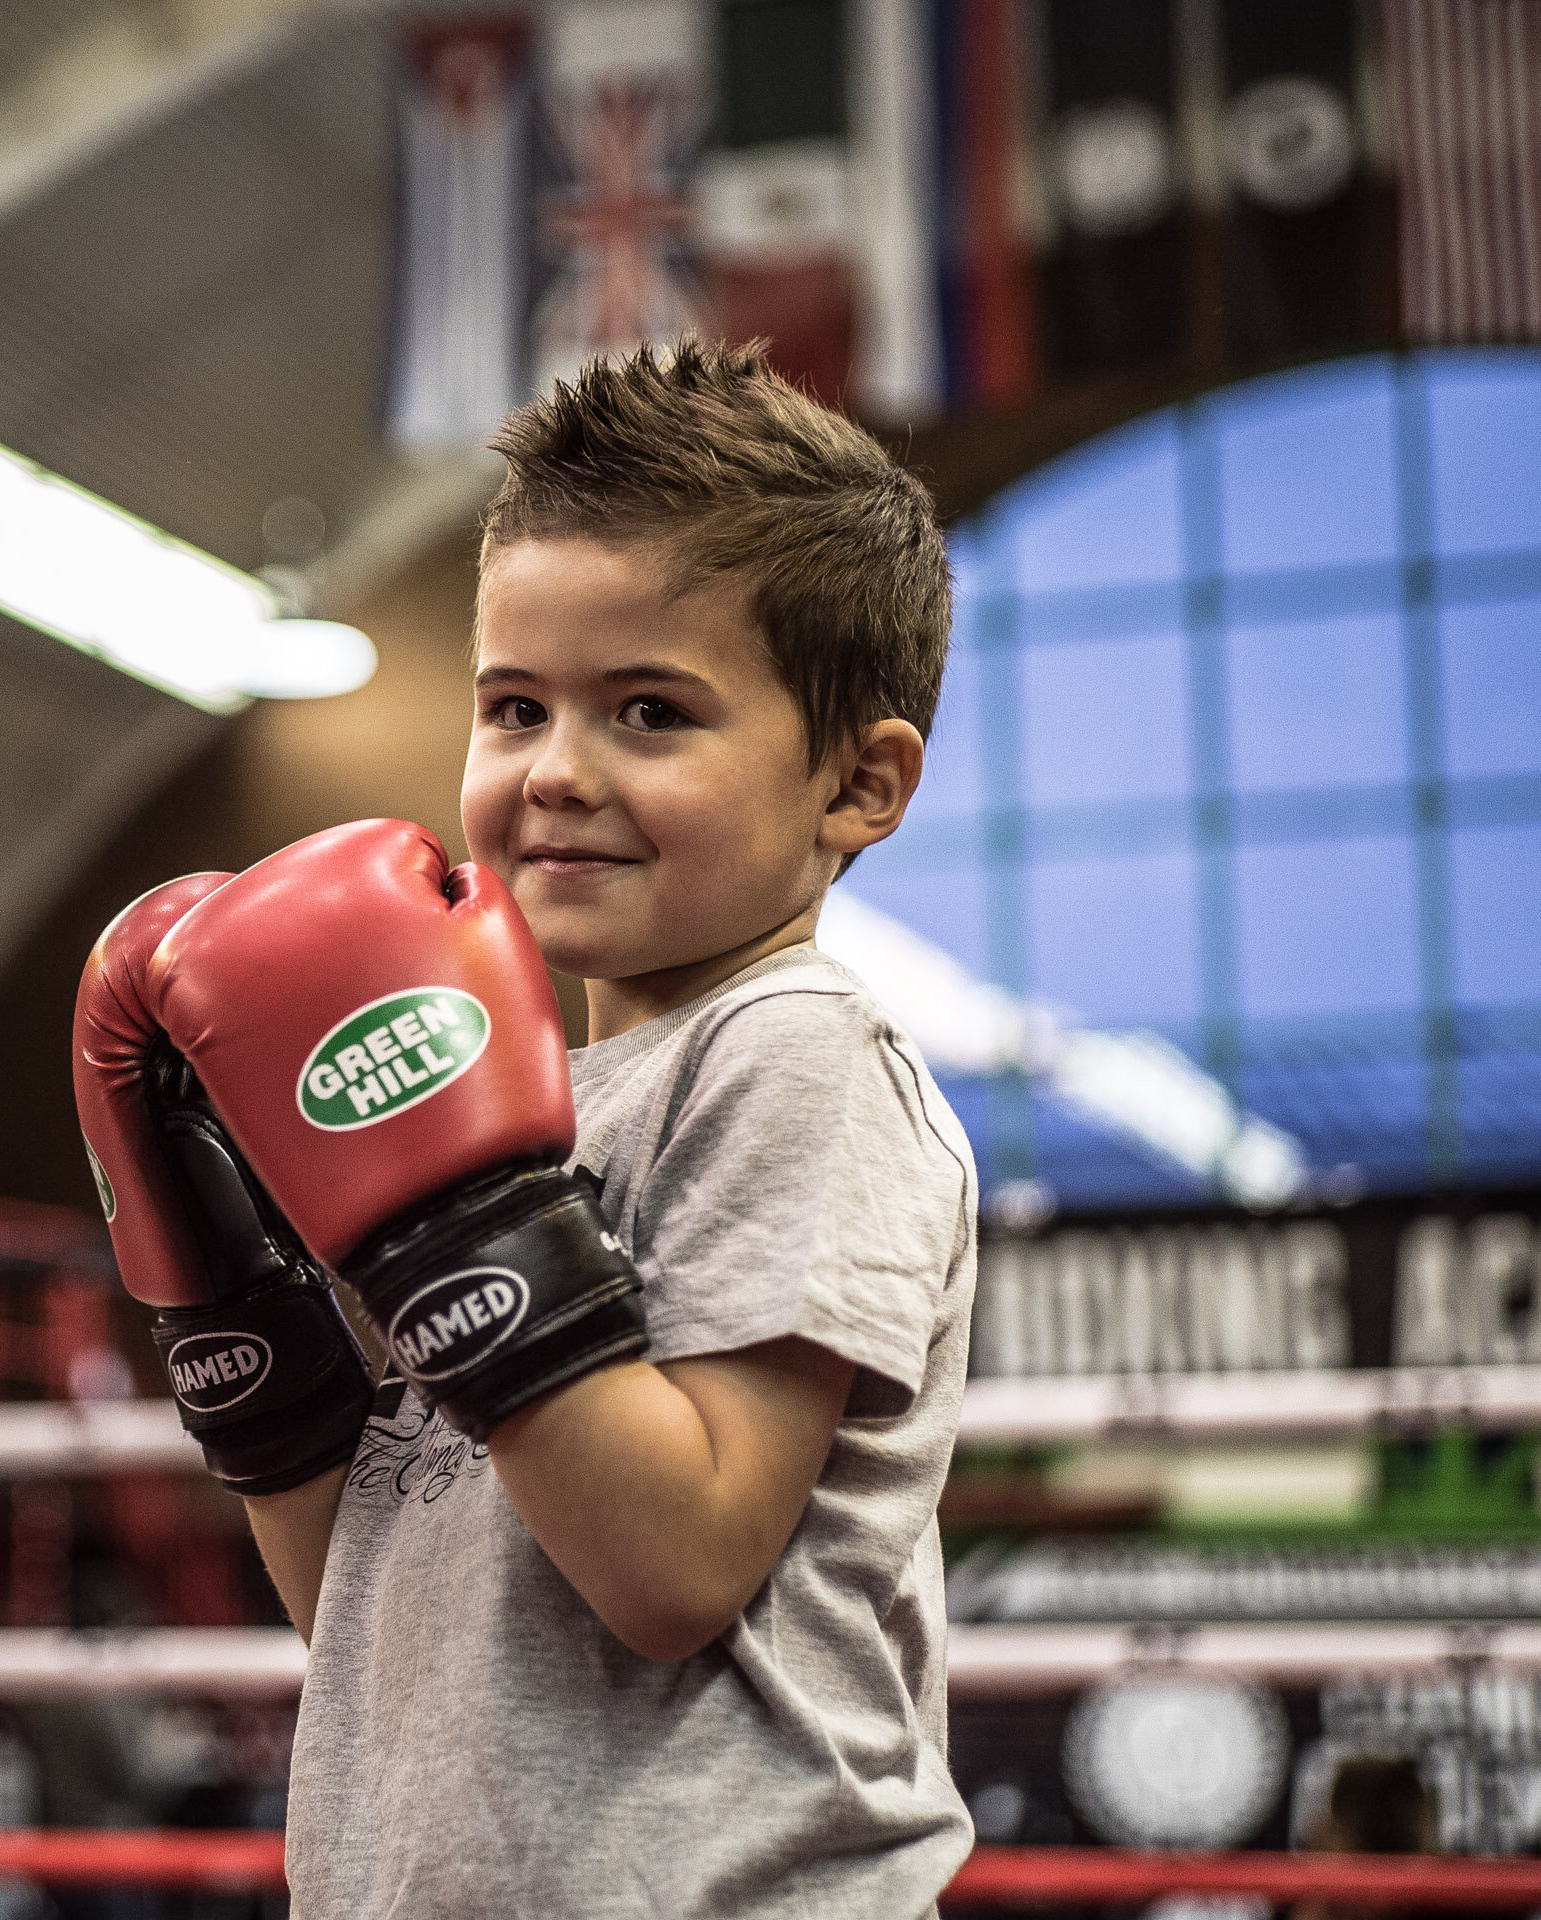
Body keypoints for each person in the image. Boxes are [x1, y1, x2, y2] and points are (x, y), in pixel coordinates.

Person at [74, 336, 975, 1916]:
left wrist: (449, 1226)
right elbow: (369, 1612)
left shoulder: (793, 1058)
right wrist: (240, 1312)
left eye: (650, 712)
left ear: (859, 783)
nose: (556, 771)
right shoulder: (497, 1095)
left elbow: (674, 1569)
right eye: (513, 707)